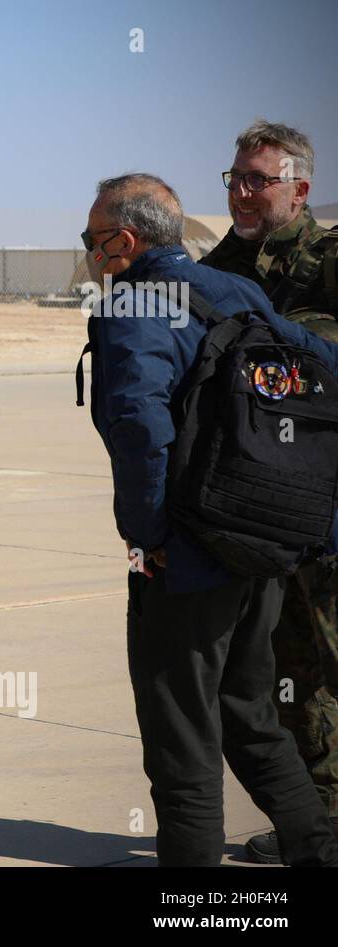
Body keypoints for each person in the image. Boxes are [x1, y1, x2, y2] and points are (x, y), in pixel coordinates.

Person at [79, 171, 338, 866]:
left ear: (124, 241)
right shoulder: (234, 290)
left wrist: (151, 538)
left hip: (188, 557)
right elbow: (320, 361)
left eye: (91, 239)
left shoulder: (131, 302)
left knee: (181, 737)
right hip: (260, 544)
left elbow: (139, 423)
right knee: (251, 718)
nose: (89, 254)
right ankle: (317, 853)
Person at [200, 120, 338, 863]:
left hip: (328, 490)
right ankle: (313, 823)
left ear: (300, 188)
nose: (242, 192)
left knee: (331, 655)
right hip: (265, 497)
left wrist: (281, 332)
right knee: (290, 667)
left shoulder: (327, 258)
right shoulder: (231, 259)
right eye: (234, 178)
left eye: (257, 180)